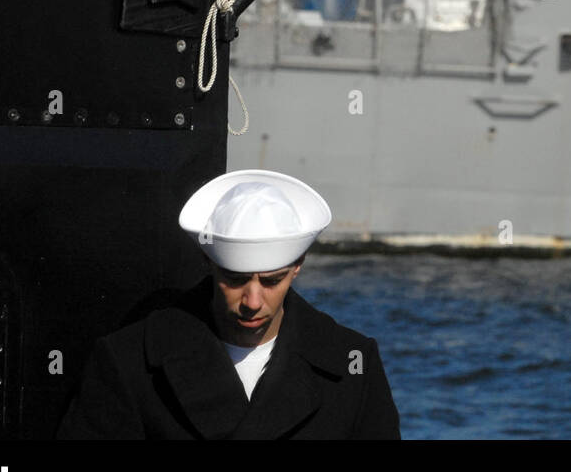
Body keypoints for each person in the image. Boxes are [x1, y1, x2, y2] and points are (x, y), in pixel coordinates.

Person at [58, 170, 400, 439]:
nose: (252, 301)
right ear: (208, 262)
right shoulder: (128, 363)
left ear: (298, 267)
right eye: (235, 280)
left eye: (271, 281)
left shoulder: (353, 366)